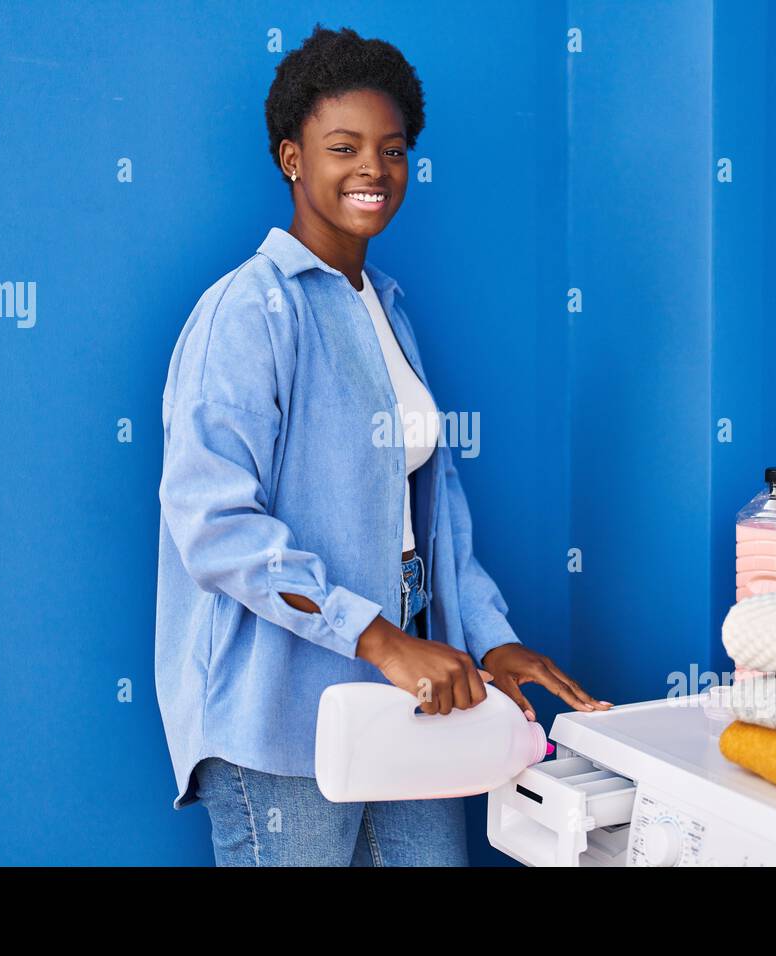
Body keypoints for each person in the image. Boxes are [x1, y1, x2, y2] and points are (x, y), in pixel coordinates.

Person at [155, 24, 611, 867]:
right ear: (293, 158)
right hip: (281, 713)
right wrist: (377, 638)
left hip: (411, 693)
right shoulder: (249, 311)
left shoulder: (386, 308)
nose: (373, 168)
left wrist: (486, 636)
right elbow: (211, 523)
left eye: (392, 149)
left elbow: (437, 519)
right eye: (344, 146)